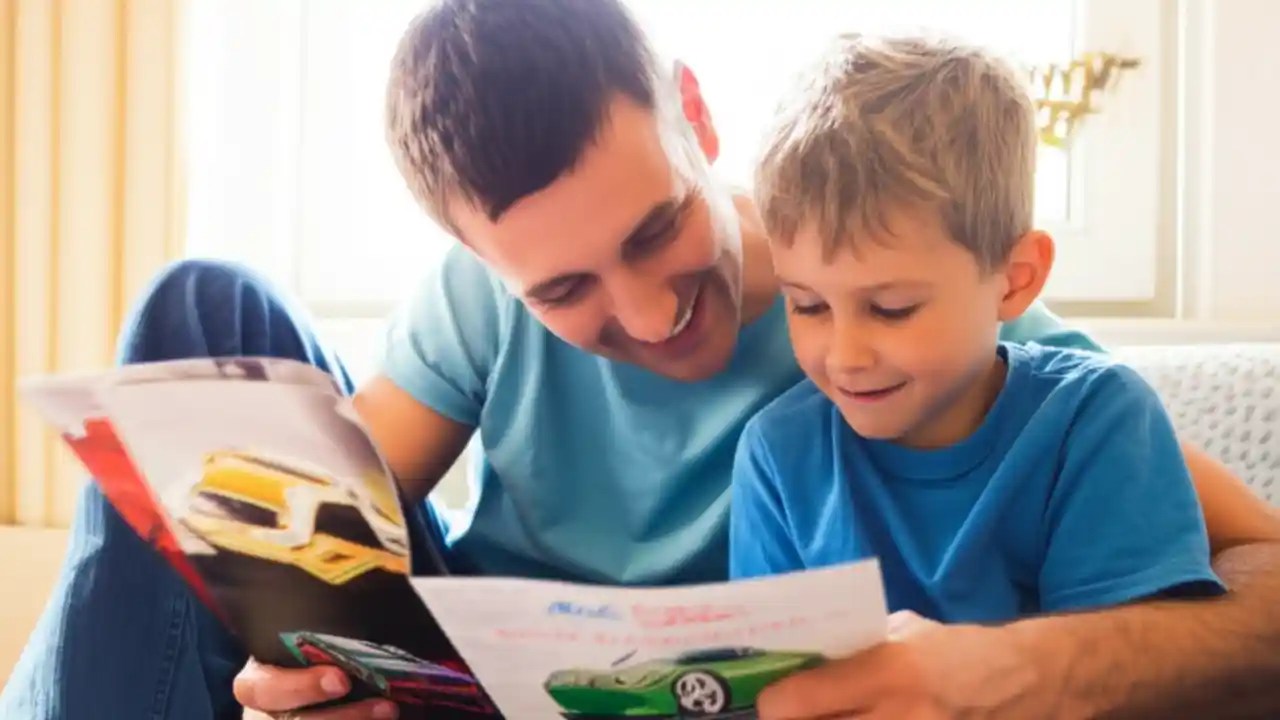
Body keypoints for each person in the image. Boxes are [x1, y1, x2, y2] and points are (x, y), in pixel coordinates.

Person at [2, 1, 1277, 719]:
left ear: (696, 117)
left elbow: (1260, 585)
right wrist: (304, 664)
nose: (650, 312)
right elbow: (301, 567)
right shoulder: (476, 307)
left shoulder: (928, 328)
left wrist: (998, 670)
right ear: (477, 259)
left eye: (657, 229)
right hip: (488, 689)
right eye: (561, 290)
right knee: (201, 308)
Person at [729, 32, 1225, 624]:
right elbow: (772, 672)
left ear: (1014, 280)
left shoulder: (1093, 423)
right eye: (808, 306)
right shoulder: (778, 456)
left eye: (891, 309)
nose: (845, 356)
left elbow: (1120, 666)